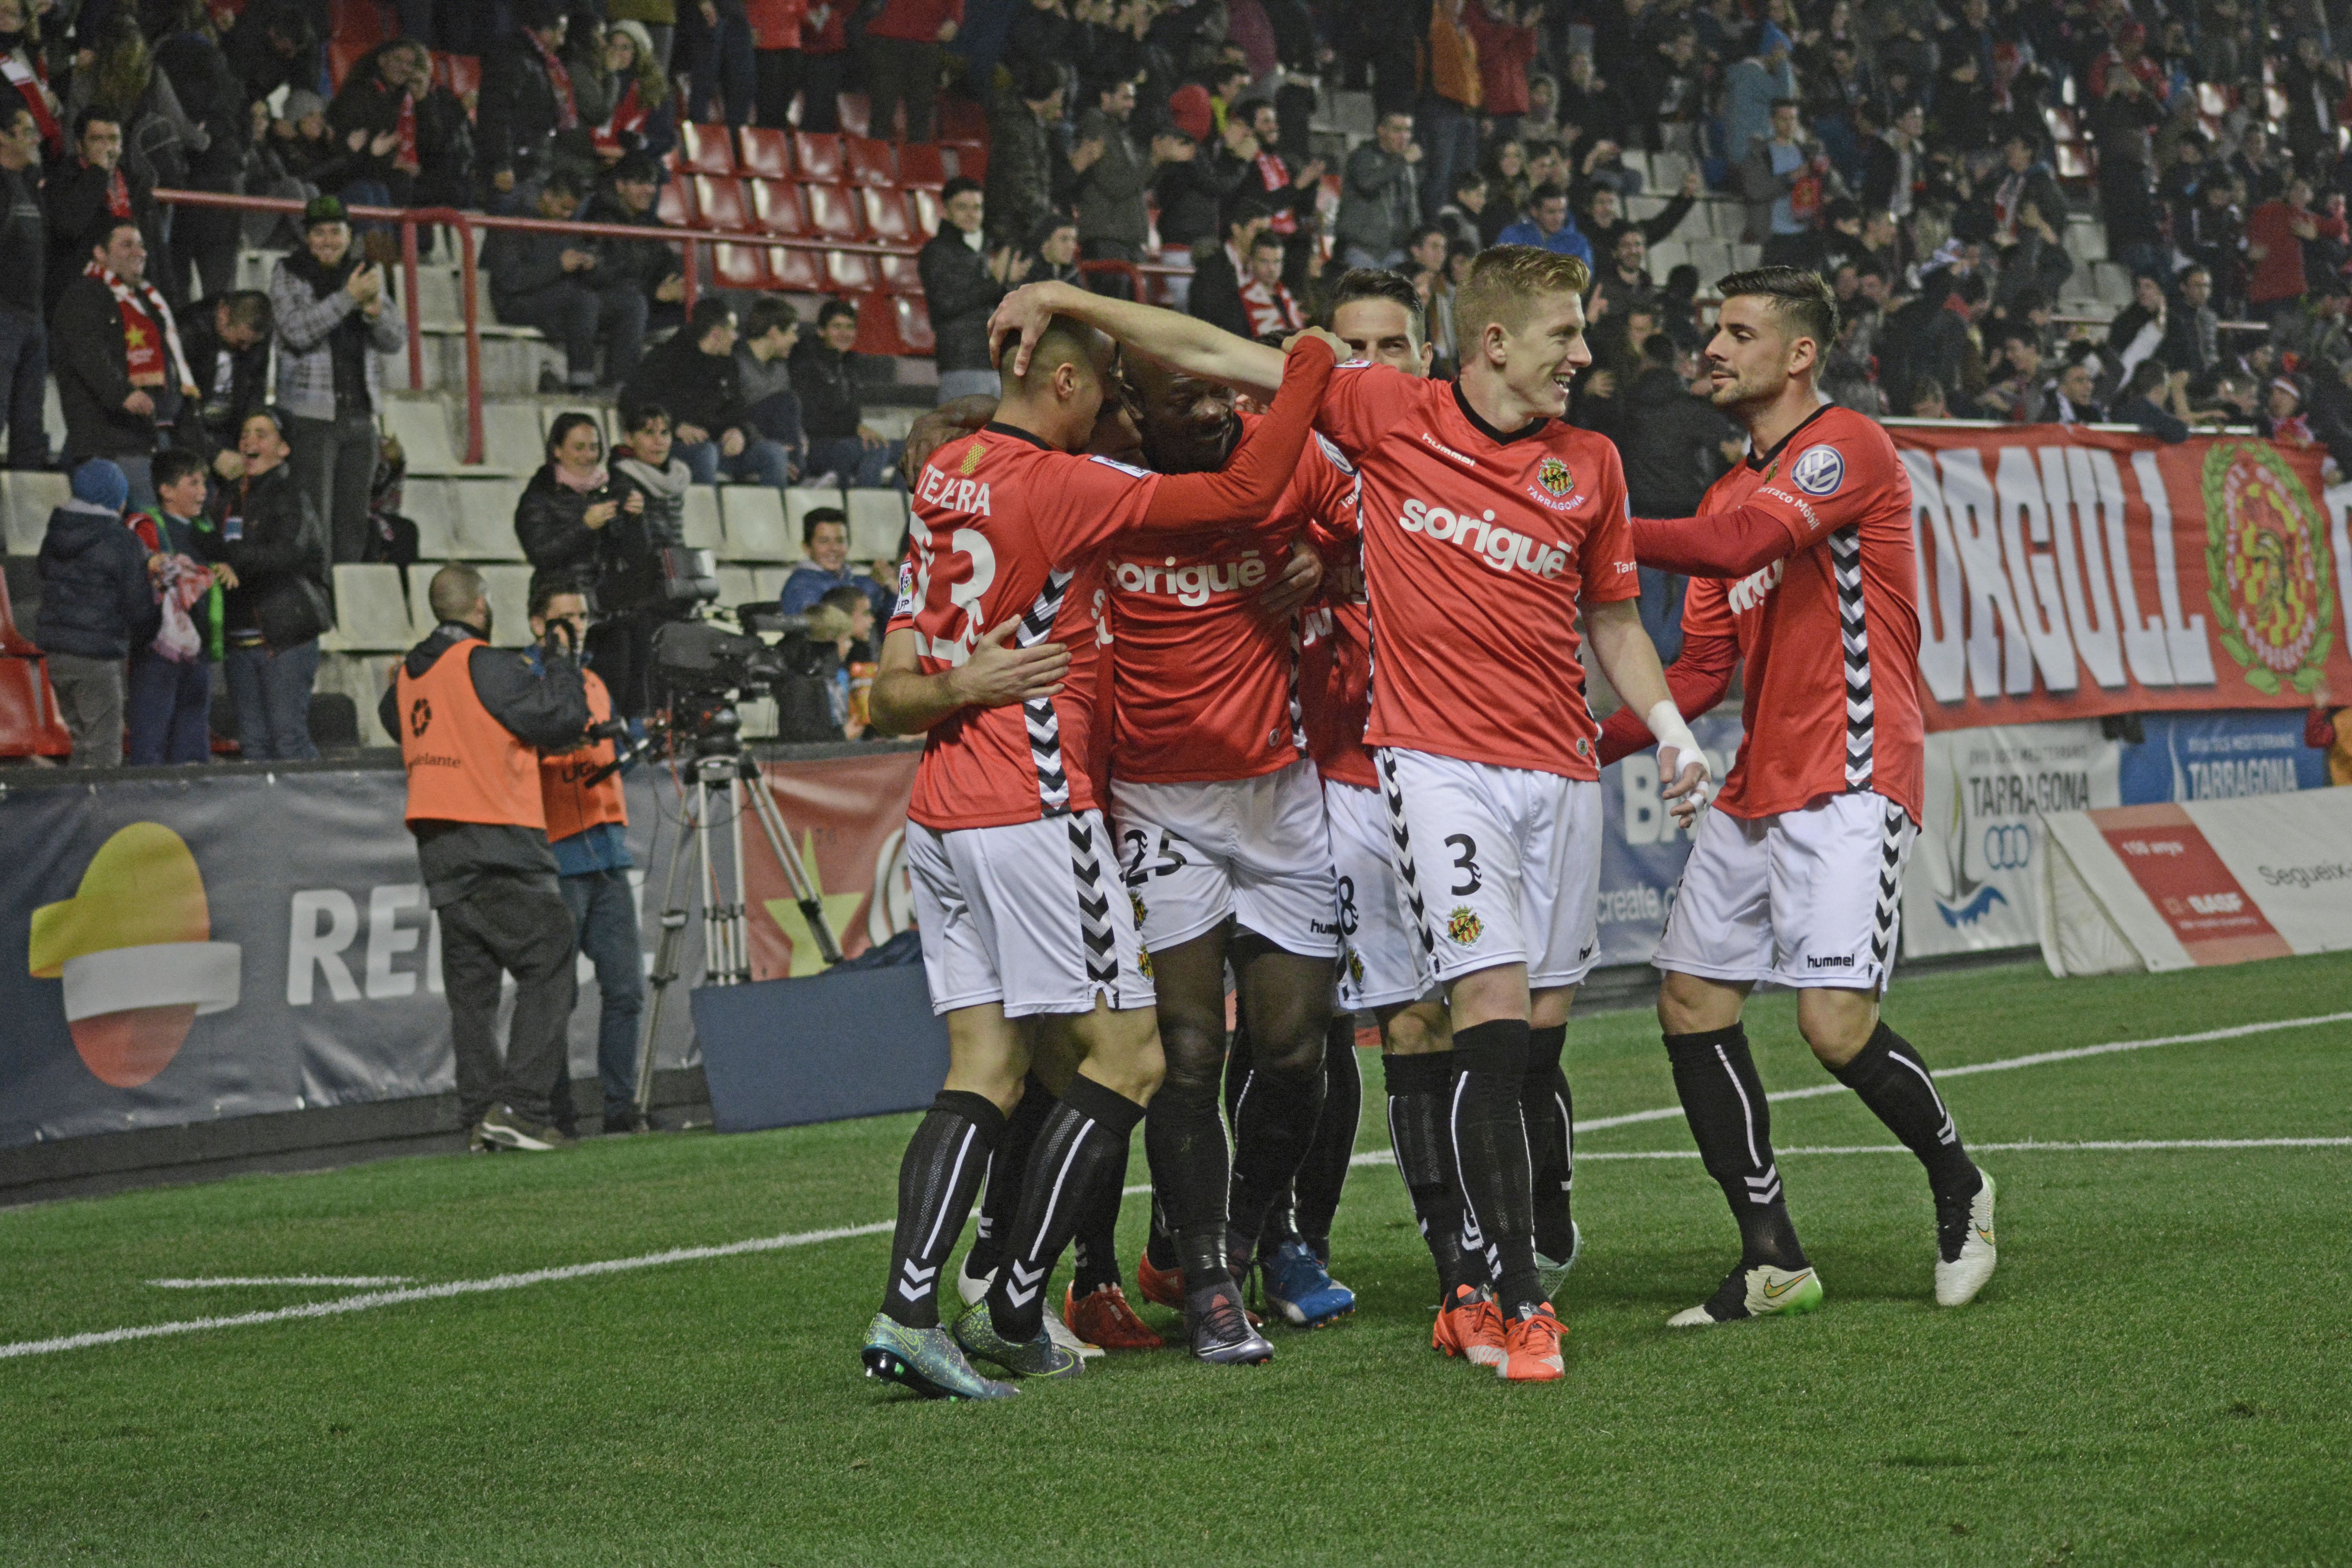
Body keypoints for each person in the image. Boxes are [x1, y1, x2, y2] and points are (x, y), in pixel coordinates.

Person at [990, 245, 1705, 1385]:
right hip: (1394, 771)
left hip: (1538, 774)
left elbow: (1608, 613)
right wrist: (1071, 299)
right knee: (1437, 1016)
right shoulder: (1377, 415)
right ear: (1494, 343)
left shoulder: (1588, 463)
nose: (1584, 354)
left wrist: (1666, 728)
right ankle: (1482, 1287)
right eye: (1566, 334)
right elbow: (1219, 353)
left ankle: (1463, 1241)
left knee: (1489, 1041)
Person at [856, 314, 1339, 1401]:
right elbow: (1230, 500)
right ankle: (1022, 1303)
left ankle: (914, 1309)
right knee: (1136, 1061)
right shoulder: (1060, 484)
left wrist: (956, 688)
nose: (1109, 412)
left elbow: (887, 693)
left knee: (989, 1066)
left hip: (939, 807)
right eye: (1103, 388)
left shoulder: (946, 474)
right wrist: (1310, 367)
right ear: (1062, 378)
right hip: (1031, 804)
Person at [1603, 265, 1998, 1327]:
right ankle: (1771, 1254)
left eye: (1739, 332)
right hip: (1758, 783)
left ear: (1800, 353)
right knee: (1691, 1000)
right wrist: (1577, 743)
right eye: (1714, 330)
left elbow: (1741, 549)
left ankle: (1961, 1185)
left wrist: (1599, 526)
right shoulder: (1729, 492)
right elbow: (1695, 679)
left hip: (1855, 772)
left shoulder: (1846, 447)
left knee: (1831, 1025)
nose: (1715, 349)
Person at [382, 563, 591, 1151]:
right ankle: (521, 1109)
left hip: (438, 845)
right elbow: (559, 714)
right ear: (479, 607)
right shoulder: (484, 663)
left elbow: (401, 721)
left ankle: (478, 1116)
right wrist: (561, 661)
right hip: (495, 840)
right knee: (550, 945)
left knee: (471, 990)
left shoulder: (409, 675)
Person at [527, 584, 647, 1136]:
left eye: (581, 616)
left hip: (607, 849)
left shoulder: (595, 681)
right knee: (556, 994)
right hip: (556, 852)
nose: (577, 627)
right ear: (537, 625)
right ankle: (557, 1114)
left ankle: (622, 1112)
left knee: (626, 989)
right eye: (564, 619)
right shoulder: (527, 682)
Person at [271, 196, 404, 564]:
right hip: (310, 418)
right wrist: (349, 299)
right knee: (315, 523)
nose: (328, 241)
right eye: (319, 233)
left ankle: (346, 608)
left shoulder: (364, 272)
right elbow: (297, 330)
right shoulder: (288, 272)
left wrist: (376, 314)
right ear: (307, 237)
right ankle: (319, 609)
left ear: (349, 235)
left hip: (361, 416)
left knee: (353, 526)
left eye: (336, 232)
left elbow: (395, 340)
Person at [204, 409, 330, 761]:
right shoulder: (226, 497)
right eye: (245, 434)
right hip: (239, 640)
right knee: (254, 746)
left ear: (284, 449)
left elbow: (288, 554)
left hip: (284, 637)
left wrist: (234, 562)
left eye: (262, 434)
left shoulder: (293, 495)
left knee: (289, 741)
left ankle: (316, 814)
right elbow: (213, 546)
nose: (249, 441)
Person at [51, 218, 197, 510]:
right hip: (109, 441)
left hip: (152, 435)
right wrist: (123, 394)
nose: (140, 252)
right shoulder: (84, 295)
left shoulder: (147, 300)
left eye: (141, 245)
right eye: (127, 245)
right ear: (100, 253)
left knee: (163, 523)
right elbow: (87, 354)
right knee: (147, 522)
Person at [34, 458, 154, 767]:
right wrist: (145, 639)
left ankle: (76, 811)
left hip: (57, 652)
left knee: (81, 741)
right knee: (103, 748)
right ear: (115, 497)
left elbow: (44, 572)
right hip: (97, 655)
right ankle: (100, 815)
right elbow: (139, 606)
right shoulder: (121, 541)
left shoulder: (56, 532)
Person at [486, 167, 648, 394]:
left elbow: (589, 274)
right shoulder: (513, 224)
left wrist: (592, 265)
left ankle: (621, 384)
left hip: (567, 298)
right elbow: (511, 280)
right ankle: (581, 383)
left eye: (571, 211)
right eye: (563, 208)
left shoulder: (568, 227)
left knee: (633, 304)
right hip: (520, 302)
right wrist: (558, 266)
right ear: (547, 195)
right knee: (583, 301)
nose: (566, 216)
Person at [620, 297, 789, 489]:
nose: (736, 337)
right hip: (674, 448)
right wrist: (675, 426)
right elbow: (630, 400)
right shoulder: (665, 359)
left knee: (774, 454)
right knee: (705, 453)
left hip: (718, 448)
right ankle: (706, 515)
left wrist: (741, 432)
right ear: (717, 334)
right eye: (732, 331)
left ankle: (769, 518)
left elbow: (740, 410)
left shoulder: (729, 365)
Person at [125, 448, 225, 764]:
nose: (203, 492)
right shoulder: (145, 527)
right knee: (152, 740)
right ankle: (147, 809)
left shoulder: (207, 531)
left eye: (204, 483)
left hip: (199, 653)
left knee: (193, 742)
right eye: (192, 483)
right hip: (157, 654)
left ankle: (193, 811)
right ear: (166, 491)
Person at [599, 403, 689, 717]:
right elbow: (626, 546)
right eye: (648, 433)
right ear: (629, 438)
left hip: (673, 584)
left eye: (664, 433)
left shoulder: (677, 477)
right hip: (642, 594)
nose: (659, 441)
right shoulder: (622, 481)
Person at [516, 410, 646, 604]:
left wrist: (636, 520)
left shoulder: (614, 489)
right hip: (562, 599)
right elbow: (539, 553)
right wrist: (584, 527)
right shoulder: (540, 494)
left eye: (593, 448)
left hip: (611, 599)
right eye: (579, 448)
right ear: (557, 451)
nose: (588, 456)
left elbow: (636, 555)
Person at [917, 178, 1026, 403]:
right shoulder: (936, 252)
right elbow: (945, 305)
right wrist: (996, 282)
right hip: (962, 362)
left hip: (997, 361)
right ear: (946, 211)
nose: (971, 214)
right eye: (962, 207)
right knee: (964, 437)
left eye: (977, 207)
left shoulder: (991, 247)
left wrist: (1009, 284)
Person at [44, 111, 158, 321]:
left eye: (113, 139)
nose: (108, 147)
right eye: (98, 139)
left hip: (130, 296)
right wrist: (97, 172)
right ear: (80, 146)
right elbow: (68, 228)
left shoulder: (136, 185)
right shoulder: (62, 181)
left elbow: (155, 246)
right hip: (80, 298)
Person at [789, 299, 900, 486]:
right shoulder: (806, 362)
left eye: (849, 327)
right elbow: (811, 418)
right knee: (874, 449)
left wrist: (854, 429)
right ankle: (865, 507)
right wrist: (854, 429)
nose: (844, 333)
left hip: (845, 441)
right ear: (821, 331)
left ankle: (903, 511)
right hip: (816, 445)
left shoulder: (850, 365)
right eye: (837, 327)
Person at [176, 292, 272, 473]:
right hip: (191, 434)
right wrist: (213, 454)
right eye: (241, 341)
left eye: (252, 344)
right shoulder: (188, 331)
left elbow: (255, 389)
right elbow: (179, 406)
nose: (246, 349)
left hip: (230, 431)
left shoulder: (255, 338)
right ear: (223, 315)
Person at [0, 102, 47, 470]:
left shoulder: (30, 185)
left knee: (30, 431)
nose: (36, 139)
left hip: (32, 319)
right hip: (4, 318)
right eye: (27, 131)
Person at [1335, 111, 1421, 270]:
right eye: (1397, 130)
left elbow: (1412, 208)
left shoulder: (1405, 165)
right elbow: (1367, 183)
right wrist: (1403, 162)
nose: (1404, 136)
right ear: (1381, 131)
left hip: (1396, 253)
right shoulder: (1363, 157)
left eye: (1408, 130)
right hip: (1363, 252)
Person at [780, 505, 892, 623]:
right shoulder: (800, 587)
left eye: (840, 541)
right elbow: (833, 626)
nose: (834, 548)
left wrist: (881, 583)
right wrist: (875, 584)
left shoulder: (851, 579)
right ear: (807, 548)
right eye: (824, 541)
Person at [1495, 182, 1593, 266]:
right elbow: (1498, 272)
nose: (1558, 218)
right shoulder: (1513, 237)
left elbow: (1582, 281)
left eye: (1562, 211)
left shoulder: (1578, 244)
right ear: (1534, 212)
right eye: (1551, 212)